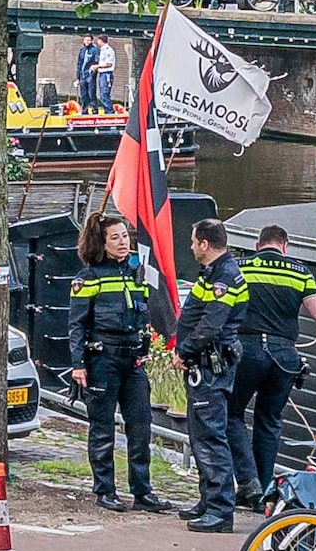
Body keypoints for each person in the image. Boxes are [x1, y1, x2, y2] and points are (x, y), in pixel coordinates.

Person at [67, 212, 176, 512]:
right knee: (102, 427)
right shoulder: (88, 277)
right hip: (102, 360)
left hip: (134, 362)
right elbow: (76, 324)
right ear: (102, 243)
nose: (123, 242)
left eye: (125, 236)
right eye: (115, 238)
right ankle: (105, 490)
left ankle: (142, 491)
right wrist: (78, 364)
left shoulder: (136, 272)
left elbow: (145, 313)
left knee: (141, 426)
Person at [231, 225, 316, 493]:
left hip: (247, 350)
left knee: (231, 414)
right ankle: (263, 491)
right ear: (285, 245)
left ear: (258, 246)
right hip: (284, 357)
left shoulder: (240, 267)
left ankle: (247, 480)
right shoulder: (301, 272)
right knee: (268, 423)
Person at [175, 217, 250, 531]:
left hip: (210, 364)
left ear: (204, 244)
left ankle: (220, 510)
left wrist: (185, 351)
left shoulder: (226, 278)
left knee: (210, 436)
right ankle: (209, 499)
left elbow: (211, 325)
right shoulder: (212, 274)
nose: (191, 247)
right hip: (202, 364)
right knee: (199, 434)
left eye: (193, 241)